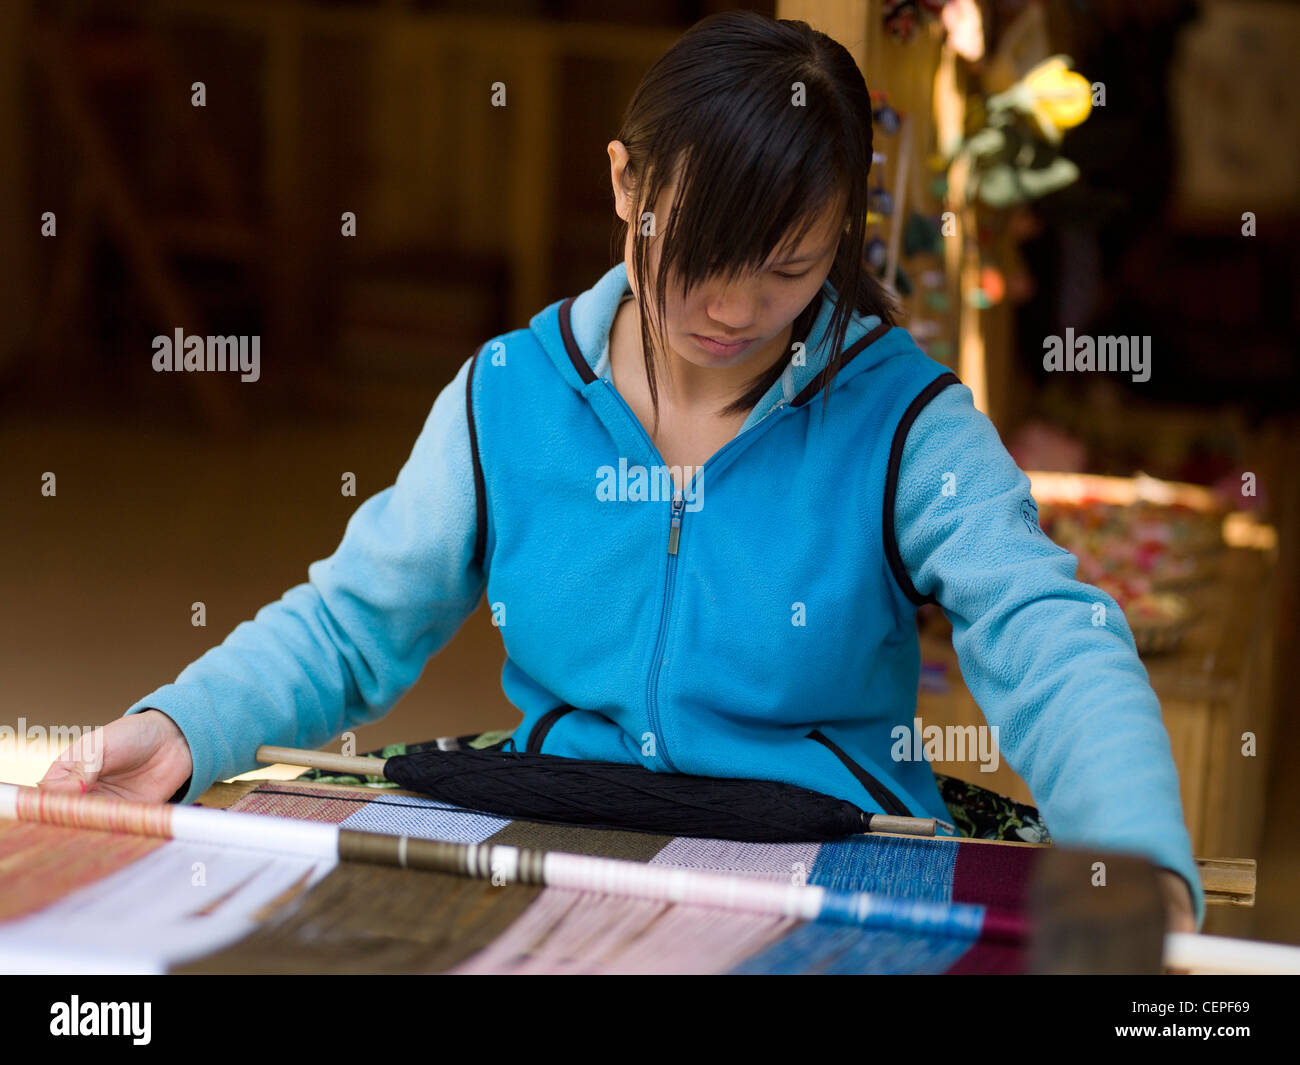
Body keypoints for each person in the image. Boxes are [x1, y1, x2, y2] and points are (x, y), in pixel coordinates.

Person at [40, 11, 1200, 933]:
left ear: (843, 231)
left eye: (791, 267)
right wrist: (184, 728)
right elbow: (354, 622)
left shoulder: (906, 422)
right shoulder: (510, 393)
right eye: (695, 254)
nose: (736, 309)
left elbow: (1048, 640)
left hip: (830, 859)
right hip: (565, 830)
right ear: (624, 188)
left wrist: (1141, 868)